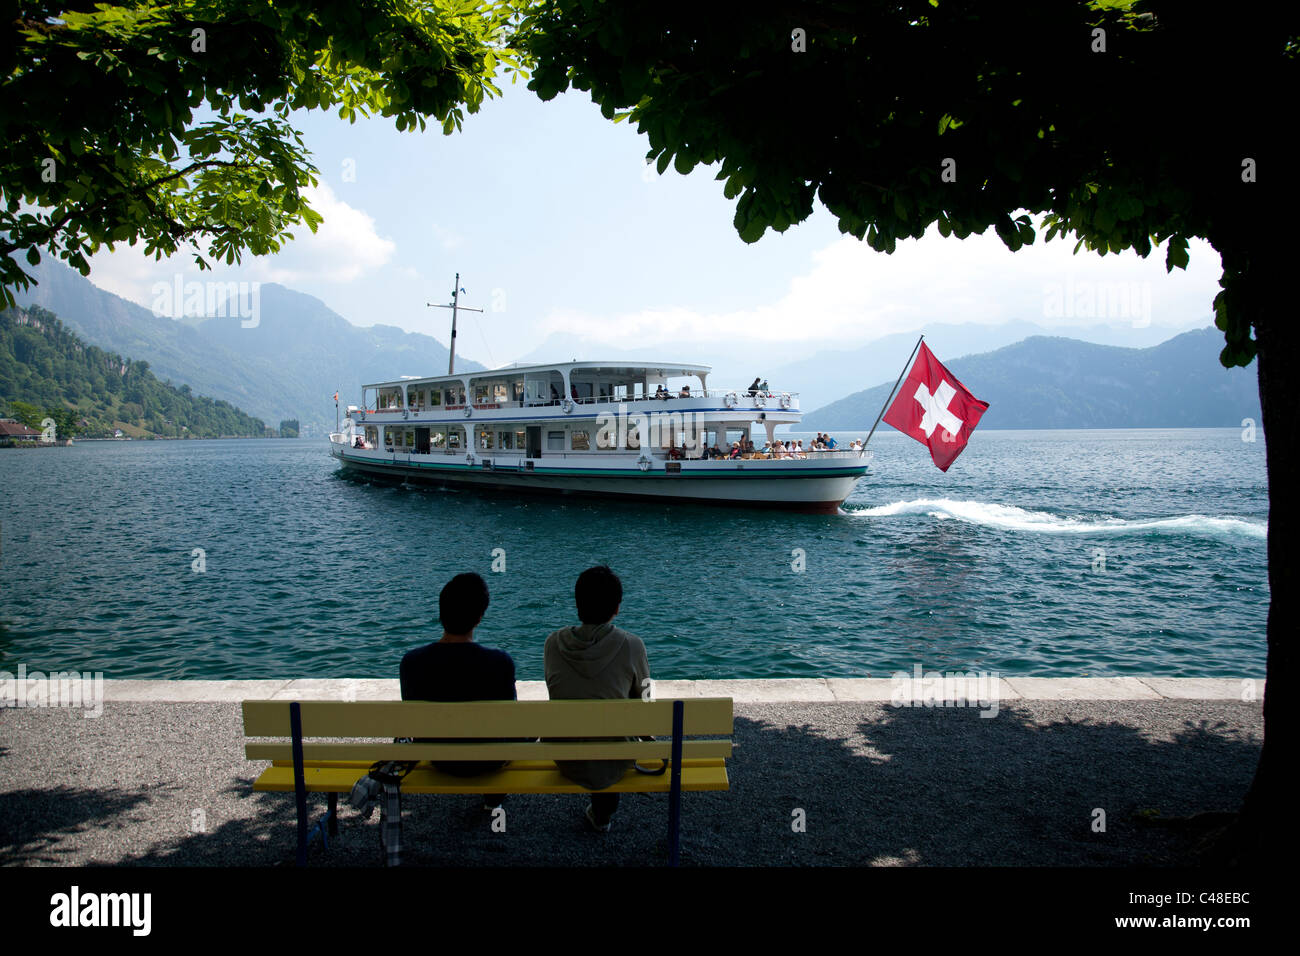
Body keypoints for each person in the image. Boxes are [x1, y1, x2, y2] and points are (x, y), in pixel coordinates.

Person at [544, 566, 651, 833]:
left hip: (565, 756)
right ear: (617, 607)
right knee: (610, 740)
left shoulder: (552, 643)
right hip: (616, 759)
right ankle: (602, 815)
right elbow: (646, 703)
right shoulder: (633, 645)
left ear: (577, 604)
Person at [400, 572, 516, 809]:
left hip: (439, 758)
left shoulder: (411, 662)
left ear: (441, 614)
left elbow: (412, 727)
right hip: (489, 761)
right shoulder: (500, 662)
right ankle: (493, 799)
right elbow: (510, 721)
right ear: (480, 617)